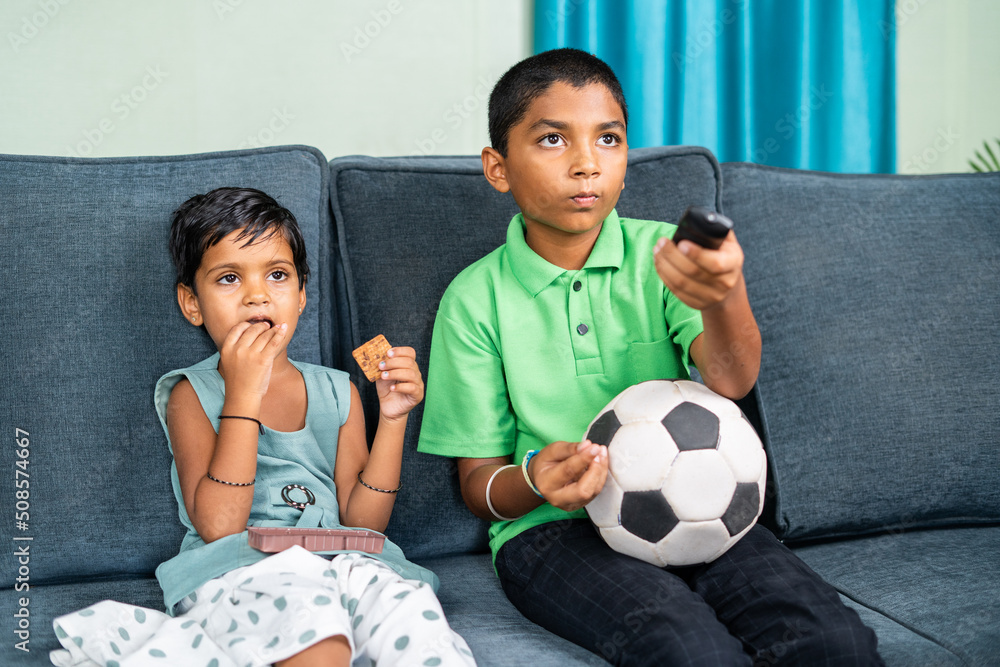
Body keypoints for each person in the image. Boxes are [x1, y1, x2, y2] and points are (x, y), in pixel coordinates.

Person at [417, 48, 882, 666]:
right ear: (497, 168)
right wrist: (536, 482)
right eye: (553, 139)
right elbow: (481, 488)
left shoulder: (662, 254)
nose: (586, 164)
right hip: (553, 534)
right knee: (687, 650)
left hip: (703, 504)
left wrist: (724, 296)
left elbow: (731, 377)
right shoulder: (474, 300)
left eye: (607, 139)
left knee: (837, 643)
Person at [50, 188, 476, 667]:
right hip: (242, 566)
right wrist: (244, 393)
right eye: (229, 278)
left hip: (342, 559)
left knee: (411, 613)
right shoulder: (192, 394)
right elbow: (218, 525)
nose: (257, 294)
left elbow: (363, 524)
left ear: (300, 297)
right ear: (192, 304)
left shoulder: (339, 392)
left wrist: (393, 420)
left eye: (277, 275)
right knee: (309, 622)